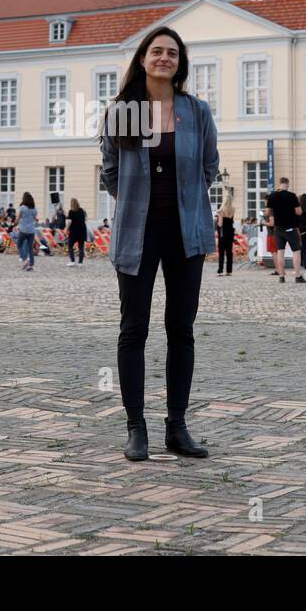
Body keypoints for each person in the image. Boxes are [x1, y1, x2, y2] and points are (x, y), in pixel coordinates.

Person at [101, 25, 219, 462]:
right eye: (157, 51)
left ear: (180, 62)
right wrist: (139, 202)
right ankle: (136, 428)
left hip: (186, 234)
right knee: (134, 329)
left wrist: (185, 203)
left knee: (181, 330)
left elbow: (210, 166)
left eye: (172, 52)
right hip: (138, 232)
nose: (164, 58)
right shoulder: (123, 112)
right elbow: (110, 173)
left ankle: (177, 425)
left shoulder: (197, 111)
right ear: (143, 59)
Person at [266, 177, 306, 284]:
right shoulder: (292, 196)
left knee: (280, 251)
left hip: (278, 228)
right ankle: (298, 276)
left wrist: (276, 212)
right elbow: (299, 212)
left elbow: (267, 212)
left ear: (279, 184)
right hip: (290, 228)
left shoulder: (272, 196)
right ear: (287, 184)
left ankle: (281, 276)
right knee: (296, 251)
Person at [15, 191, 38, 270]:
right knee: (30, 248)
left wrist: (15, 223)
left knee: (19, 245)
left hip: (23, 230)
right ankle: (31, 265)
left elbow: (18, 218)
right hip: (31, 230)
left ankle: (25, 259)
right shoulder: (34, 209)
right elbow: (35, 218)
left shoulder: (22, 208)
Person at [215, 190, 236, 276]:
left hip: (223, 233)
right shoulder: (233, 209)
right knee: (229, 252)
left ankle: (220, 270)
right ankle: (229, 271)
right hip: (230, 232)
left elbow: (220, 224)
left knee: (221, 252)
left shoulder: (222, 210)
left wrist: (218, 215)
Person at [65, 197, 88, 265]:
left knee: (70, 245)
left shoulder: (71, 211)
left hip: (74, 231)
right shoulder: (82, 210)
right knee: (81, 247)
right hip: (82, 230)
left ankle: (72, 261)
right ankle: (80, 263)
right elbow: (85, 219)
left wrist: (66, 229)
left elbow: (69, 221)